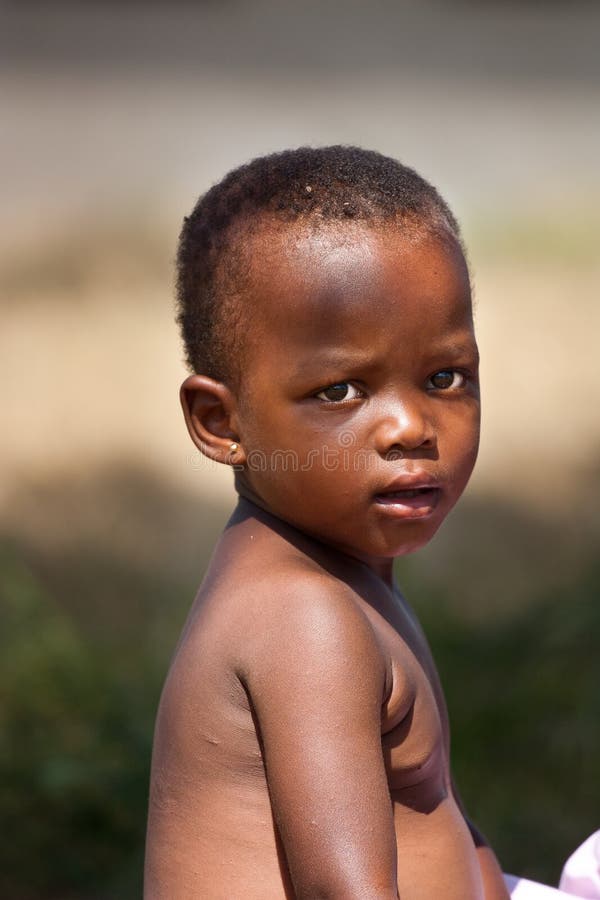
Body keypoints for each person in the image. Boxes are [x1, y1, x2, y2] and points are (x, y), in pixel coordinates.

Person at [144, 145, 513, 898]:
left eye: (445, 378)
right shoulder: (303, 616)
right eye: (342, 390)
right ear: (221, 422)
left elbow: (437, 811)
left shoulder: (340, 579)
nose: (411, 425)